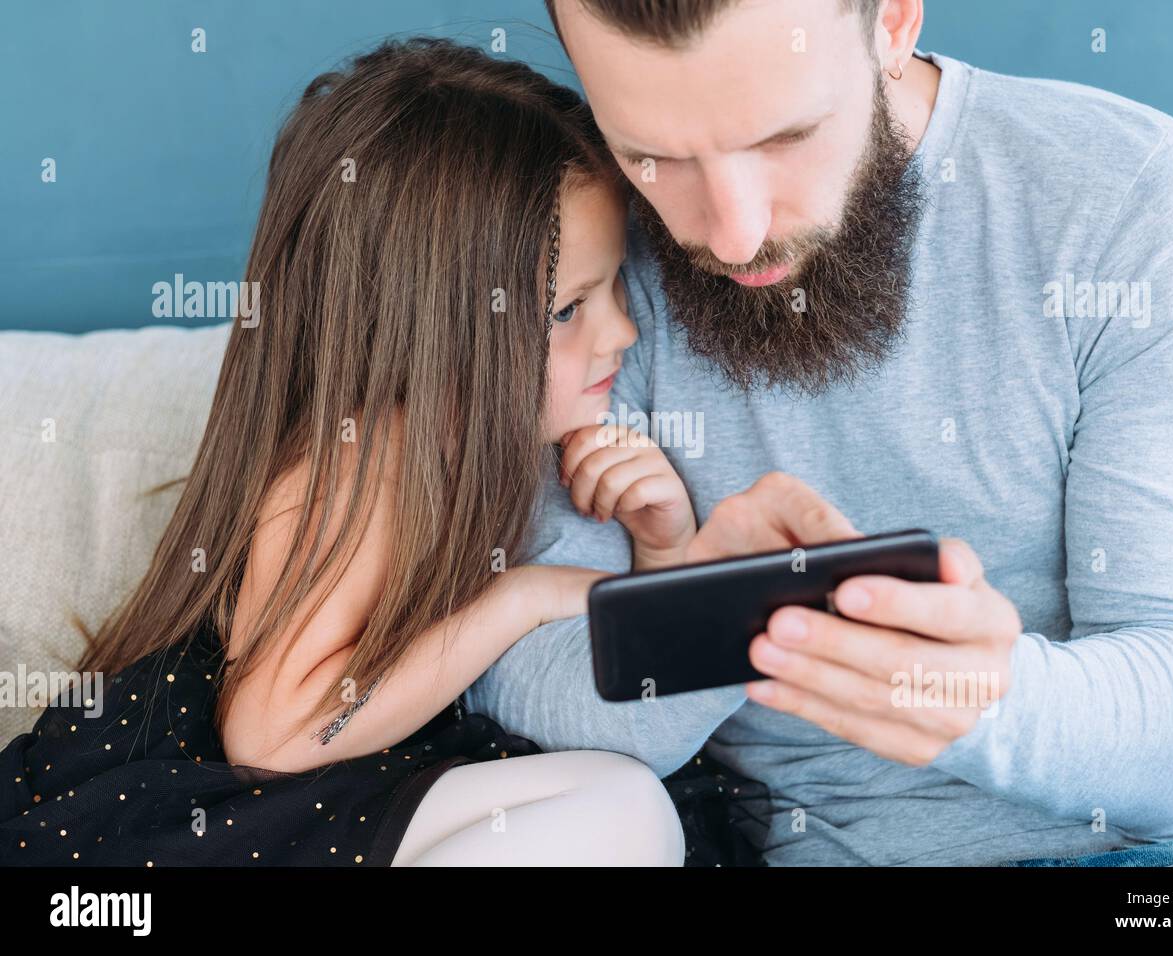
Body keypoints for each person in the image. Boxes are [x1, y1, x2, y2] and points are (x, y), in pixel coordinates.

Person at [458, 0, 1173, 865]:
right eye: (654, 156)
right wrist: (710, 608)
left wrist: (981, 694)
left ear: (893, 21)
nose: (733, 231)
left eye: (784, 138)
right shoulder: (588, 268)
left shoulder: (1132, 197)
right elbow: (522, 683)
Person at [0, 36, 690, 867]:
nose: (625, 331)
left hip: (372, 799)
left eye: (618, 287)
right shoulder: (369, 462)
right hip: (238, 815)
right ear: (449, 328)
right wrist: (518, 598)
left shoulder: (498, 452)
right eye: (571, 309)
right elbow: (277, 735)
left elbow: (645, 698)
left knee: (634, 807)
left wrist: (665, 549)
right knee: (623, 810)